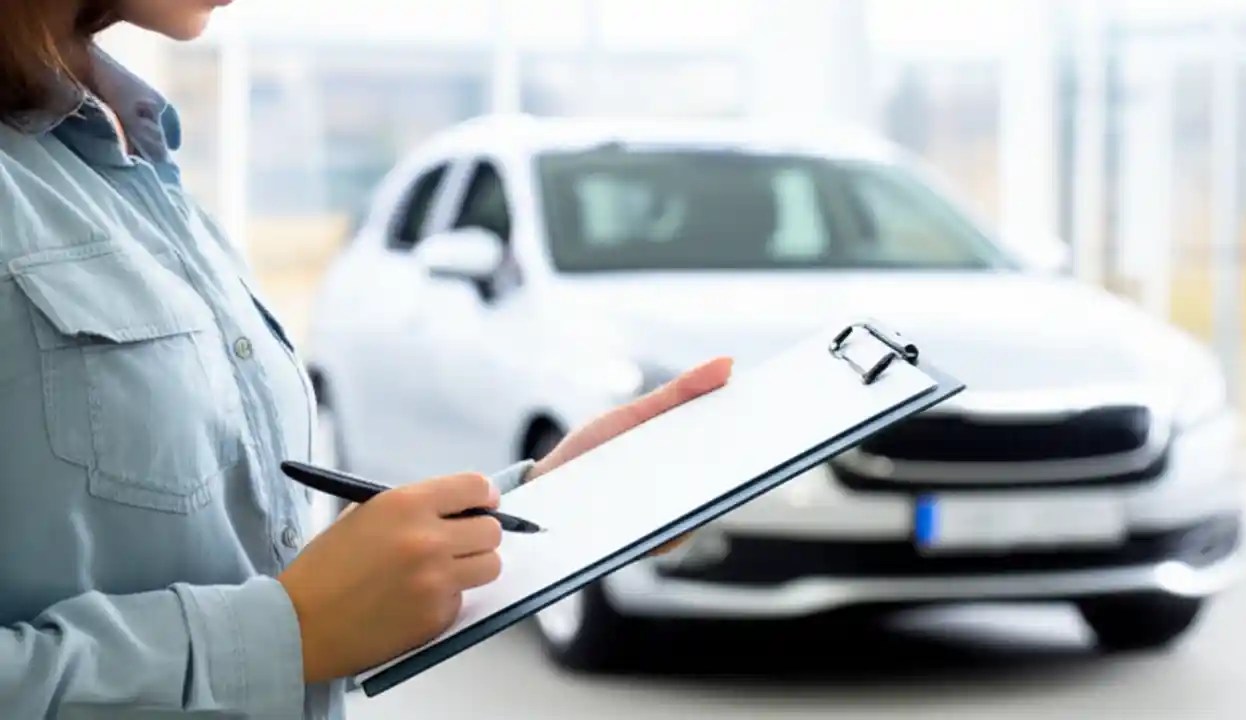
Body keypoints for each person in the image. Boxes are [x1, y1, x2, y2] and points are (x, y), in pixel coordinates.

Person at [0, 1, 734, 717]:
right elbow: (285, 625)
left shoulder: (131, 152)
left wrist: (543, 506)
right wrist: (288, 633)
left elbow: (239, 574)